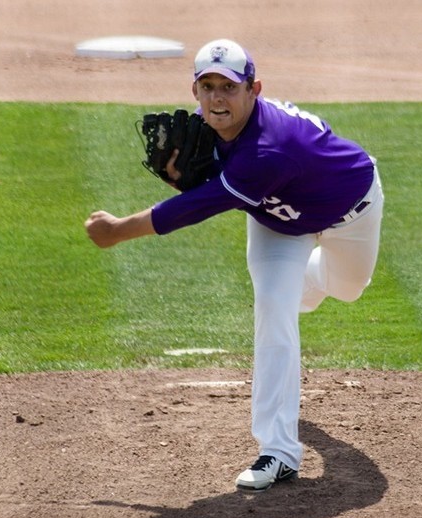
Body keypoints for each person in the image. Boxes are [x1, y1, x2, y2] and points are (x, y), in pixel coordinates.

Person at [84, 38, 384, 492]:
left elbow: (197, 207)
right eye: (208, 86)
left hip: (352, 210)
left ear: (254, 89)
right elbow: (210, 186)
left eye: (229, 86)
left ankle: (308, 278)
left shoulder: (269, 148)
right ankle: (279, 452)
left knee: (347, 287)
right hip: (278, 224)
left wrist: (118, 229)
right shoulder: (215, 135)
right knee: (273, 309)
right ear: (195, 92)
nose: (217, 98)